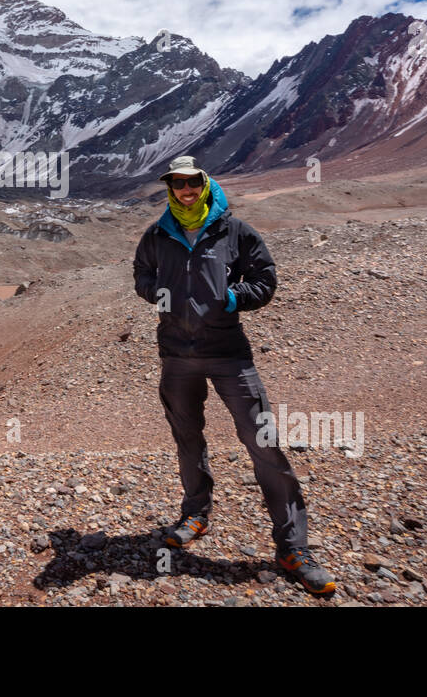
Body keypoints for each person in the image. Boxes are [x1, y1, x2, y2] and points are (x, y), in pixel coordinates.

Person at [132, 154, 336, 595]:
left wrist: (231, 299)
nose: (185, 191)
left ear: (204, 185)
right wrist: (158, 293)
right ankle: (195, 514)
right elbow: (141, 275)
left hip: (228, 354)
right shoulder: (158, 234)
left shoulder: (235, 231)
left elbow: (265, 279)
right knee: (188, 439)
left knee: (262, 442)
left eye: (191, 184)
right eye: (177, 185)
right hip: (176, 354)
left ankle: (292, 547)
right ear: (170, 189)